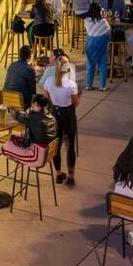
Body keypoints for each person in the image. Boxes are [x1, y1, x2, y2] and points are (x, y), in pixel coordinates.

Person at [41, 51, 80, 185]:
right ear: (67, 69)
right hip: (68, 115)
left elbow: (46, 98)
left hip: (54, 114)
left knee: (56, 146)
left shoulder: (48, 81)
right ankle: (71, 177)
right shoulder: (71, 85)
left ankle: (58, 174)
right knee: (70, 147)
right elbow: (75, 103)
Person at [2, 92, 59, 160]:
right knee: (22, 134)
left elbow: (20, 117)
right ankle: (20, 158)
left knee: (5, 147)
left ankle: (21, 159)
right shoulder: (52, 117)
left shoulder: (34, 117)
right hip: (48, 153)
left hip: (37, 155)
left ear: (35, 103)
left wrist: (11, 109)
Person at [83, 2, 111, 91]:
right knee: (102, 66)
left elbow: (88, 32)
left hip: (91, 47)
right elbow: (108, 31)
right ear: (99, 11)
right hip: (102, 47)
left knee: (90, 65)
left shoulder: (86, 20)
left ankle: (88, 85)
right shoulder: (103, 21)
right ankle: (102, 86)